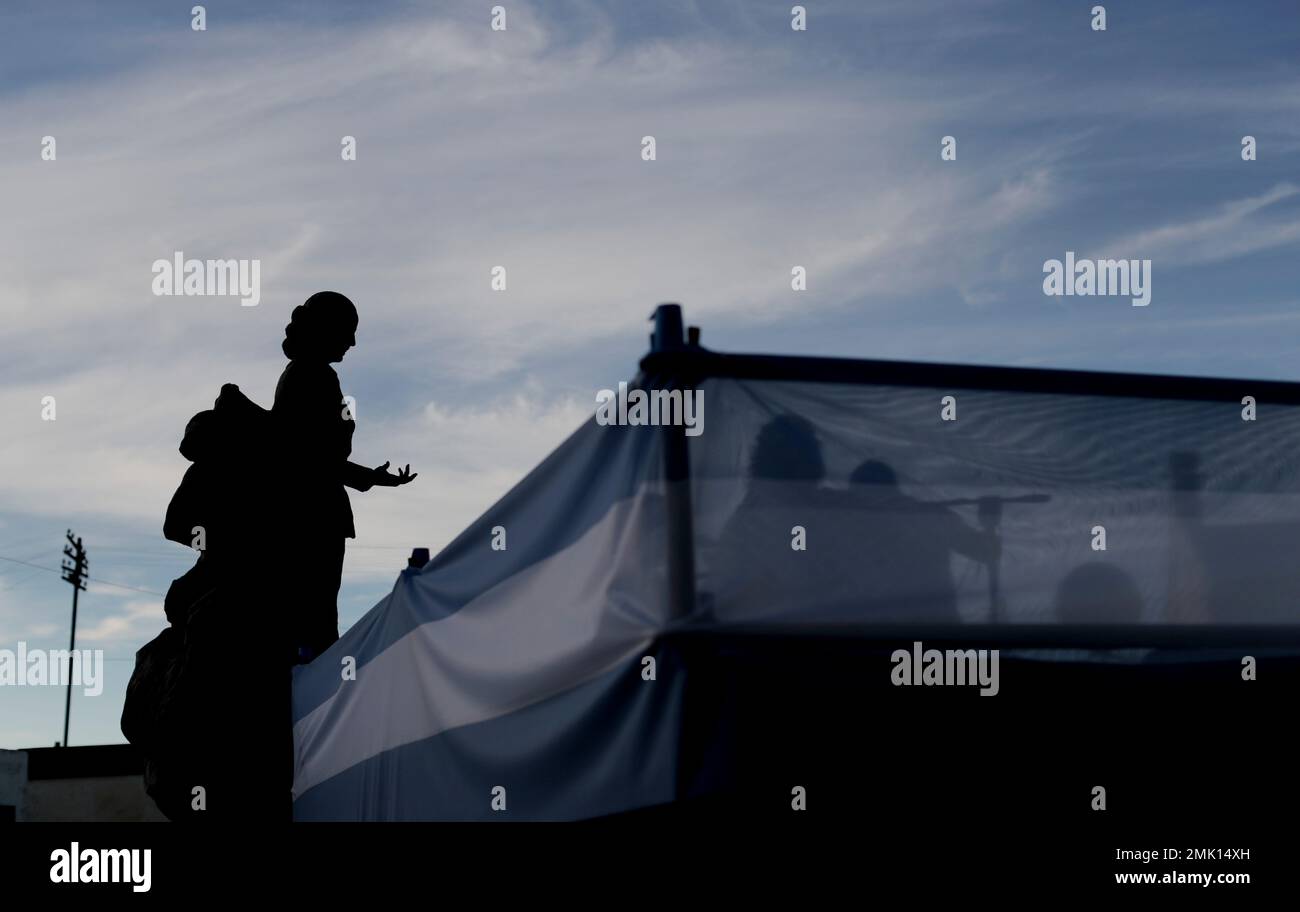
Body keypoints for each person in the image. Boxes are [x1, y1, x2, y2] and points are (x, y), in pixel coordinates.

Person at [272, 291, 418, 662]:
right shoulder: (313, 376)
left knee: (316, 614)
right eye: (347, 332)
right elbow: (309, 455)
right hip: (311, 511)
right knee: (314, 616)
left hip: (311, 506)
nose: (352, 342)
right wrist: (368, 477)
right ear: (325, 330)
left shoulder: (309, 374)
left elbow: (316, 454)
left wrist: (368, 477)